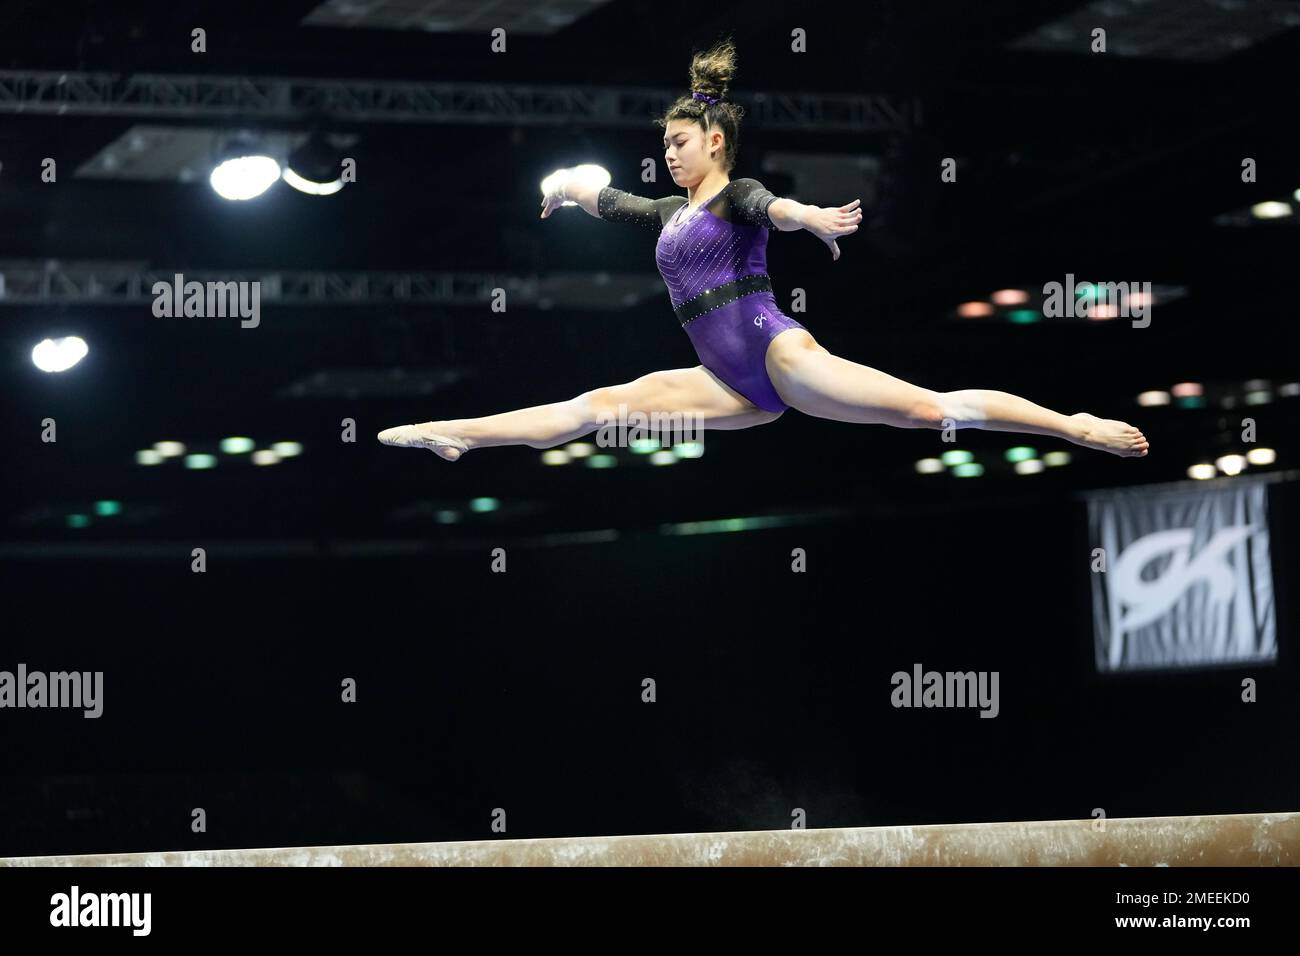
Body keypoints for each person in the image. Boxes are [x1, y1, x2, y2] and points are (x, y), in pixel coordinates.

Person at [379, 37, 1148, 462]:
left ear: (714, 142)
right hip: (727, 384)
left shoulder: (736, 197)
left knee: (924, 412)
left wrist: (806, 213)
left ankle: (1071, 423)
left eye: (680, 144)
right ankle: (456, 434)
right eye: (666, 145)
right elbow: (603, 195)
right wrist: (563, 187)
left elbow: (765, 205)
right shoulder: (668, 216)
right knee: (598, 408)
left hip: (777, 355)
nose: (671, 156)